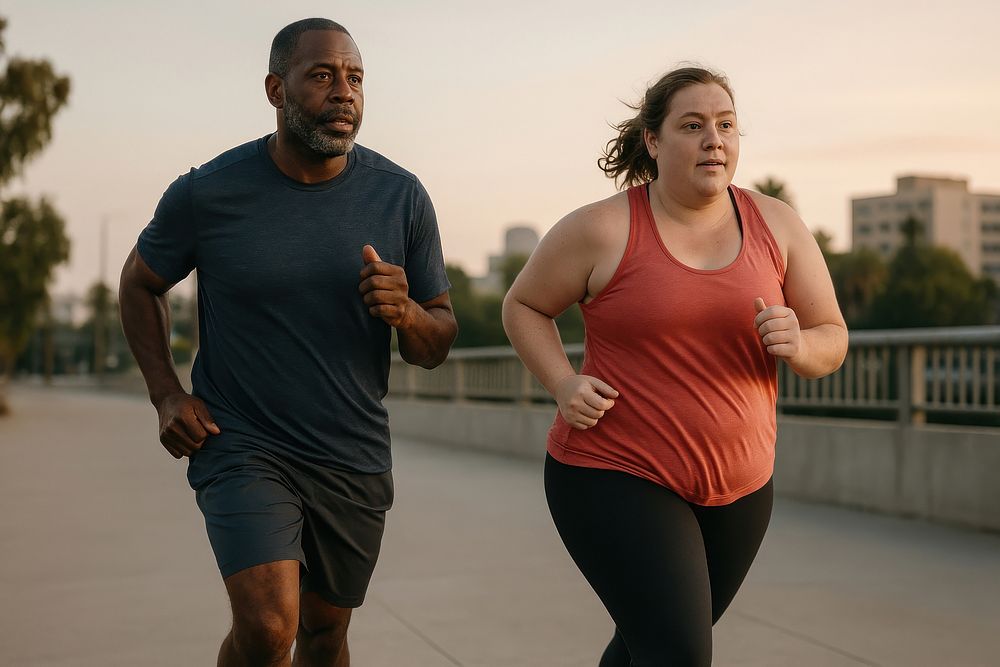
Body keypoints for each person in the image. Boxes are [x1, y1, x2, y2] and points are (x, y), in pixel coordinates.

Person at [119, 18, 456, 667]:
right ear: (276, 89)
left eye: (355, 77)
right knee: (270, 625)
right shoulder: (208, 192)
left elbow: (435, 344)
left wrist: (408, 313)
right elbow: (139, 283)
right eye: (322, 75)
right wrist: (165, 394)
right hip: (241, 441)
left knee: (324, 635)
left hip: (350, 451)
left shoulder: (401, 196)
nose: (344, 92)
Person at [502, 66, 847, 666]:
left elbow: (832, 339)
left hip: (741, 487)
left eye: (726, 125)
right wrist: (562, 381)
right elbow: (523, 305)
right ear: (653, 141)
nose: (714, 139)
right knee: (679, 653)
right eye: (692, 126)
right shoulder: (603, 228)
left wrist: (800, 343)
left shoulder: (777, 224)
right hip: (614, 472)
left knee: (649, 647)